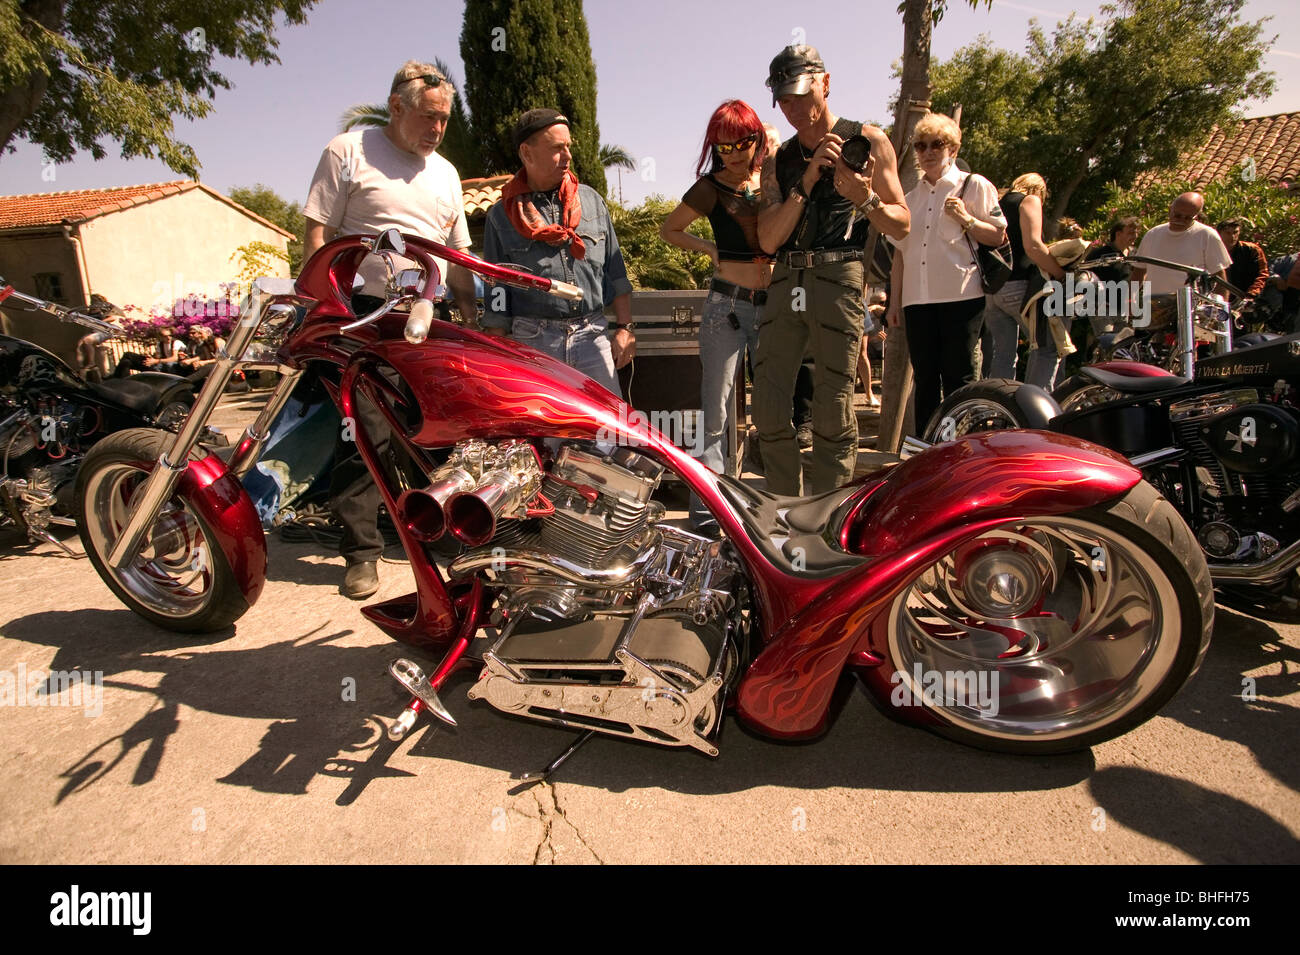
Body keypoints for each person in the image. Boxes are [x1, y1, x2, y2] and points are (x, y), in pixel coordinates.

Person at [303, 60, 478, 600]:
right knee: (366, 433)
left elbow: (458, 253)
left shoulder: (446, 173)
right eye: (429, 117)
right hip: (364, 314)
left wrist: (473, 315)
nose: (437, 129)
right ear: (396, 107)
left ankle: (446, 534)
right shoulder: (348, 151)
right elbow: (317, 231)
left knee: (439, 428)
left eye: (445, 120)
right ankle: (361, 554)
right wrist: (325, 306)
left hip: (432, 316)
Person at [753, 44, 909, 496]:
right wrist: (804, 183)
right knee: (767, 402)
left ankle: (827, 510)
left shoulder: (867, 140)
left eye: (802, 95)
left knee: (833, 404)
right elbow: (767, 239)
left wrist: (864, 197)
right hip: (786, 277)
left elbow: (903, 222)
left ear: (825, 82)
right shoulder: (777, 161)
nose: (794, 108)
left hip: (839, 274)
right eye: (784, 100)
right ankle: (785, 503)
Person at [660, 100, 771, 529]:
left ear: (757, 138)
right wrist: (708, 248)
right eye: (724, 147)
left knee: (773, 411)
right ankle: (706, 520)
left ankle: (765, 516)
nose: (735, 153)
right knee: (715, 415)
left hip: (773, 306)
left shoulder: (774, 178)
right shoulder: (709, 187)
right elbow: (669, 229)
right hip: (724, 304)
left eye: (744, 142)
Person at [481, 108, 634, 396]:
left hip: (593, 335)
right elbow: (497, 290)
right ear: (527, 153)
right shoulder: (501, 216)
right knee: (547, 438)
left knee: (608, 434)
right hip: (534, 341)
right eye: (556, 148)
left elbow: (616, 273)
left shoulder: (591, 201)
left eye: (569, 147)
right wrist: (497, 349)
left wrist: (625, 327)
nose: (568, 156)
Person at [884, 113, 1007, 431]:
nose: (927, 152)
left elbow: (997, 236)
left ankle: (962, 445)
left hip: (961, 295)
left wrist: (967, 219)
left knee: (959, 376)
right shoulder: (910, 199)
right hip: (918, 300)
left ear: (953, 147)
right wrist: (893, 303)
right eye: (921, 145)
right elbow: (900, 255)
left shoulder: (973, 185)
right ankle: (926, 447)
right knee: (924, 379)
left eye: (936, 144)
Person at [980, 173, 1065, 384]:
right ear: (1038, 190)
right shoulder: (1029, 200)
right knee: (1047, 348)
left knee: (1003, 354)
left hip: (992, 289)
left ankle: (999, 405)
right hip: (1021, 288)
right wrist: (1060, 273)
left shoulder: (996, 203)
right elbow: (1033, 245)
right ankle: (1036, 409)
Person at [1130, 192, 1232, 298]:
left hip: (1191, 306)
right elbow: (1138, 272)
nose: (1181, 220)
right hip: (1155, 305)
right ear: (1170, 210)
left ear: (1196, 217)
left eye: (1187, 218)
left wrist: (1221, 309)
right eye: (1177, 215)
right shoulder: (1153, 234)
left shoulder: (1207, 235)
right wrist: (1130, 300)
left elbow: (1220, 278)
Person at [1217, 219, 1269, 301]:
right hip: (1219, 298)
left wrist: (1251, 294)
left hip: (1247, 297)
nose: (1232, 237)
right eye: (1228, 233)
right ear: (1219, 234)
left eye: (1235, 232)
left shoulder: (1251, 250)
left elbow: (1262, 274)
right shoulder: (1213, 251)